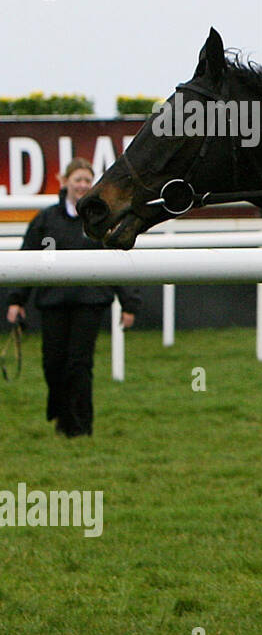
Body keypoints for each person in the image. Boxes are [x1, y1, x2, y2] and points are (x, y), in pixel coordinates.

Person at [6, 159, 141, 437]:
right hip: (53, 303)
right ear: (64, 181)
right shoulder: (45, 220)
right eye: (77, 179)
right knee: (53, 364)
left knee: (79, 365)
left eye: (87, 180)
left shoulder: (101, 218)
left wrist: (129, 303)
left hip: (89, 303)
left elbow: (113, 261)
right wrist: (16, 299)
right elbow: (26, 258)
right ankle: (61, 416)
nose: (82, 185)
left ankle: (79, 429)